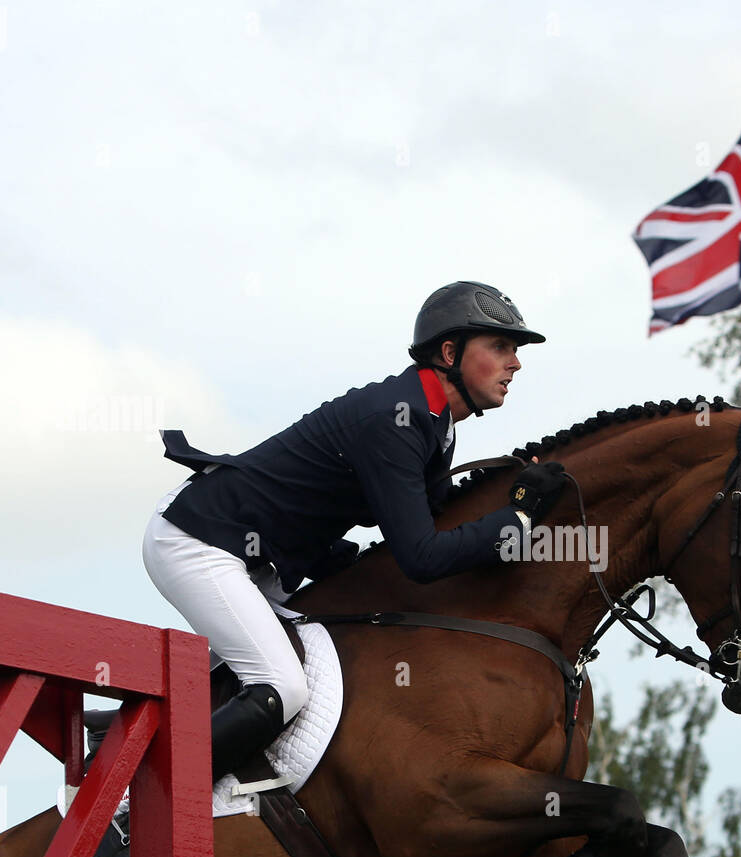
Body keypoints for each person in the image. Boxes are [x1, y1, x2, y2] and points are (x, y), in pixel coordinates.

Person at [140, 280, 568, 784]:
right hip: (199, 540)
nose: (514, 363)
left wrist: (506, 500)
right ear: (450, 352)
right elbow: (423, 557)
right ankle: (148, 797)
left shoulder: (434, 422)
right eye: (500, 347)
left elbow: (433, 523)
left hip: (260, 560)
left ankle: (130, 737)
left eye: (514, 350)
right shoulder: (397, 418)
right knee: (285, 685)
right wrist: (516, 519)